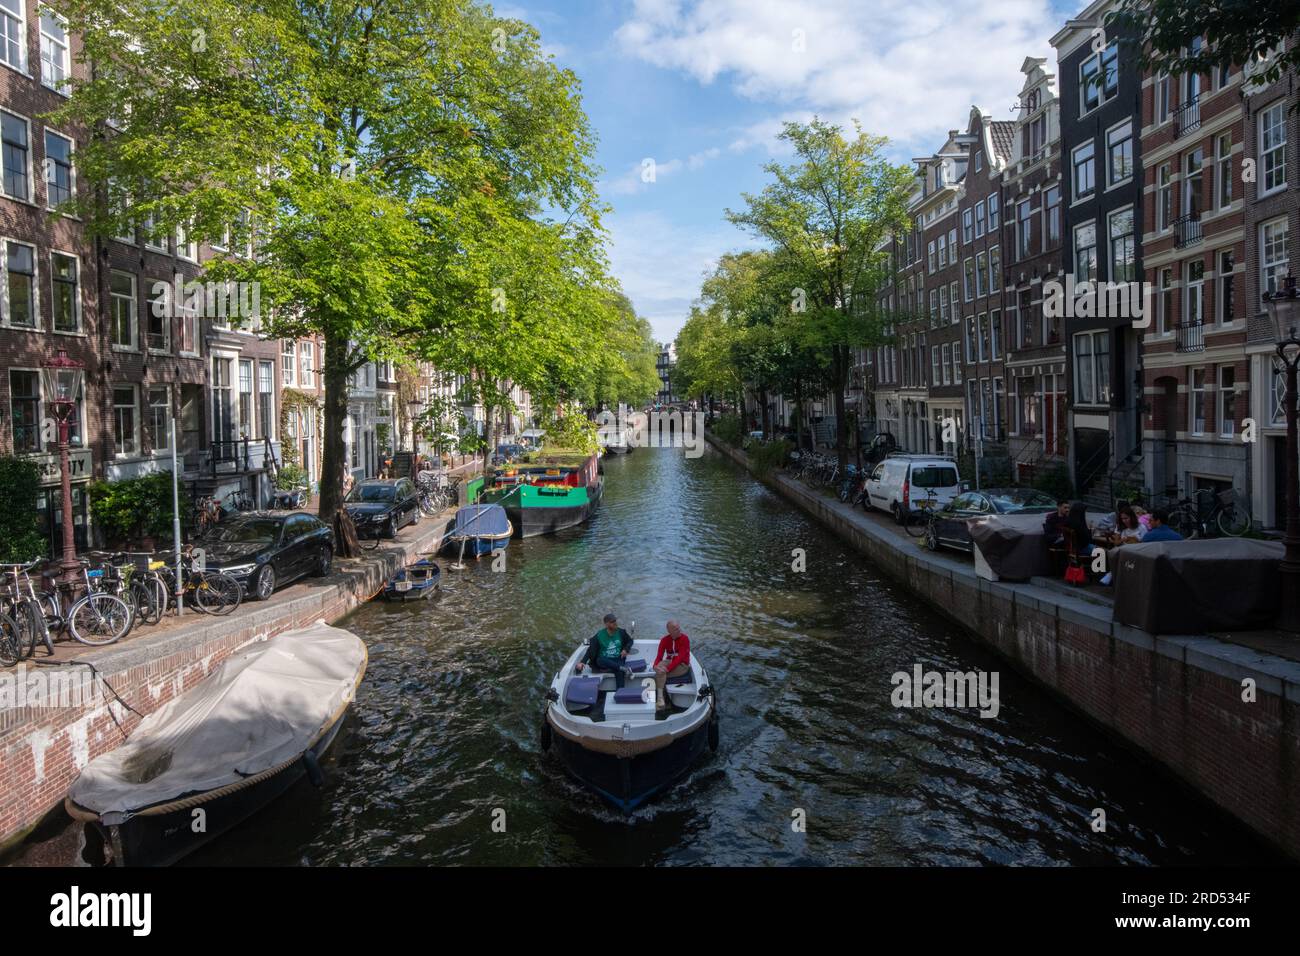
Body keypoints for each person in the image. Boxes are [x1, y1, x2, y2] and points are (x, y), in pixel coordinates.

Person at [576, 613, 633, 688]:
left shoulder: (621, 632)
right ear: (606, 624)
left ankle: (620, 693)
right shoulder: (600, 635)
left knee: (619, 671)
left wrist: (626, 649)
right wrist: (582, 662)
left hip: (618, 658)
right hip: (604, 660)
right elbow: (590, 649)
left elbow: (630, 641)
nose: (615, 623)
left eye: (615, 620)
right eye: (612, 622)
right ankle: (623, 668)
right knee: (600, 660)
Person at [652, 620, 691, 714]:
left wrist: (666, 669)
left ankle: (661, 700)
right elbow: (659, 657)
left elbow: (679, 658)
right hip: (670, 661)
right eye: (676, 629)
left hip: (682, 665)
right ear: (669, 631)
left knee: (660, 675)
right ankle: (663, 702)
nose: (679, 630)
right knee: (659, 668)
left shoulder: (685, 639)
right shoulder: (664, 640)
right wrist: (655, 666)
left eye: (678, 628)